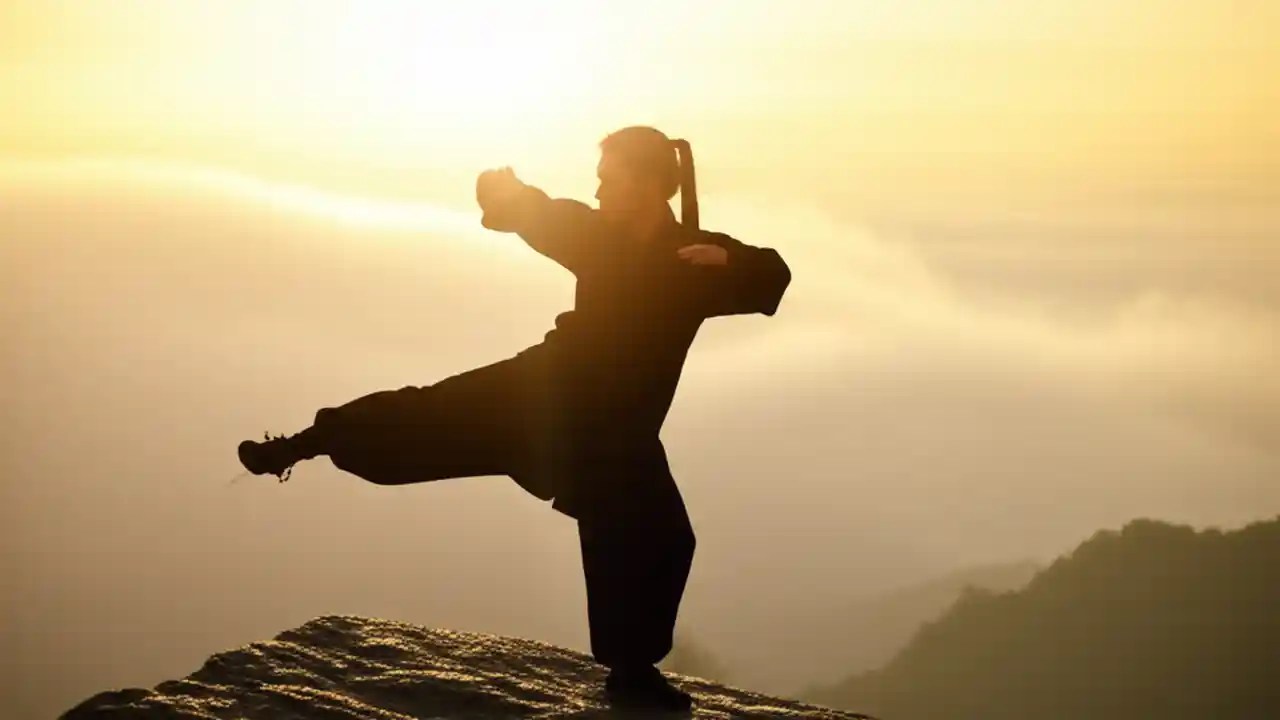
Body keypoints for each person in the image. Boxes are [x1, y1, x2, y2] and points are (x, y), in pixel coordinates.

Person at [236, 126, 791, 712]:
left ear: (650, 183)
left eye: (609, 177)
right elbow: (536, 212)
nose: (598, 188)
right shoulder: (596, 235)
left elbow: (772, 274)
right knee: (428, 415)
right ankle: (306, 442)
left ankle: (630, 670)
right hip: (543, 395)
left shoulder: (693, 262)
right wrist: (503, 190)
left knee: (661, 539)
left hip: (612, 437)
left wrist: (727, 258)